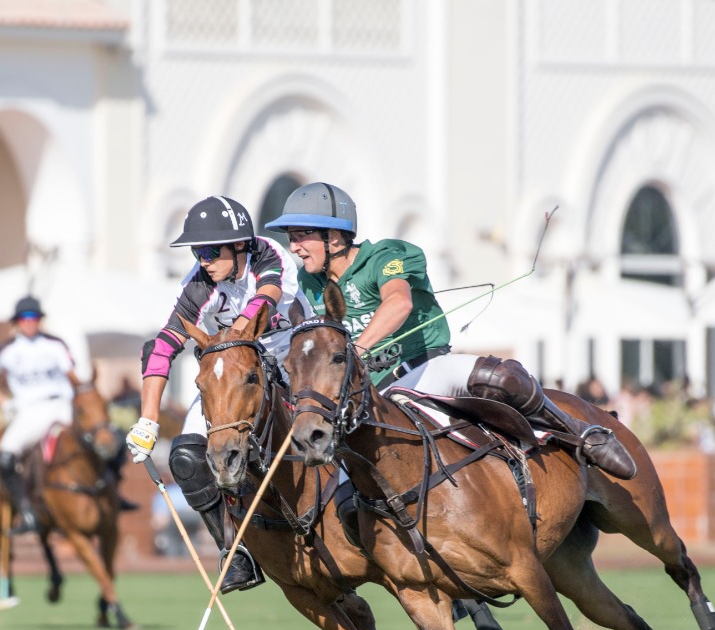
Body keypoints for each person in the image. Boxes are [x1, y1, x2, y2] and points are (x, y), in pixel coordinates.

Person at [264, 182, 636, 480]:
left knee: (500, 375)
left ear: (335, 236)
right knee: (341, 492)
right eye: (291, 237)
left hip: (423, 370)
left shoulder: (387, 256)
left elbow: (399, 303)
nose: (294, 246)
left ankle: (580, 433)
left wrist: (357, 349)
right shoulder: (308, 282)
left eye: (302, 235)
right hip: (374, 395)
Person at [124, 195, 313, 593]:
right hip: (233, 367)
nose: (202, 259)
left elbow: (263, 302)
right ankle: (235, 550)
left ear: (239, 244)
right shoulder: (198, 284)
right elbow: (163, 346)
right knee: (187, 459)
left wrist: (229, 340)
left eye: (210, 250)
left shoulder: (267, 255)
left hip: (290, 355)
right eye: (197, 251)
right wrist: (147, 419)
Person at [0, 296, 79, 534]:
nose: (29, 322)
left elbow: (72, 376)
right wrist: (3, 401)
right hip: (30, 411)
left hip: (61, 405)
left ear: (40, 320)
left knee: (99, 441)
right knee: (5, 457)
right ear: (17, 321)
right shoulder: (7, 349)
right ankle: (27, 512)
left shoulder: (56, 344)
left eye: (34, 317)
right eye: (24, 318)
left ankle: (112, 496)